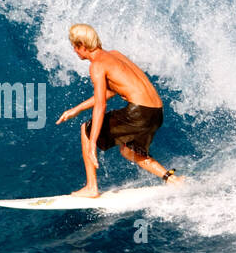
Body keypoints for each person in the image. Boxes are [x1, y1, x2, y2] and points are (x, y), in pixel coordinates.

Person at [55, 23, 181, 197]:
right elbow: (113, 89)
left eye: (74, 47)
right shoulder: (115, 55)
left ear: (82, 46)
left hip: (139, 112)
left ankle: (91, 187)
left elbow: (101, 105)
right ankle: (172, 180)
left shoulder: (97, 65)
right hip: (156, 112)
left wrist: (92, 143)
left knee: (86, 130)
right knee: (129, 151)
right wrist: (77, 109)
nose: (74, 51)